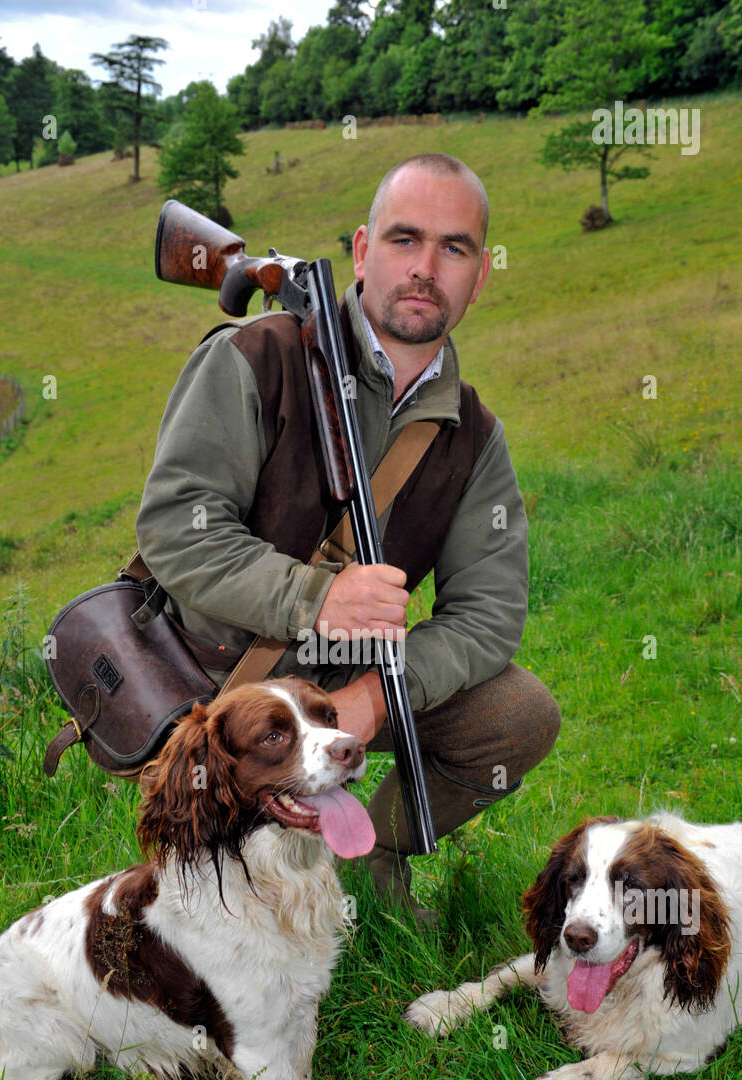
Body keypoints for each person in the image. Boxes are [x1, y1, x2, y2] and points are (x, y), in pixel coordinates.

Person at [136, 152, 561, 926]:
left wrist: (367, 700)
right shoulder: (254, 358)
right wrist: (317, 595)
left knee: (520, 715)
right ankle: (224, 841)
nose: (426, 268)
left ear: (479, 276)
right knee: (199, 933)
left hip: (346, 687)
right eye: (405, 240)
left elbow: (487, 617)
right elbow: (176, 528)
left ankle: (368, 861)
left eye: (455, 248)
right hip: (223, 688)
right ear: (363, 251)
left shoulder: (475, 437)